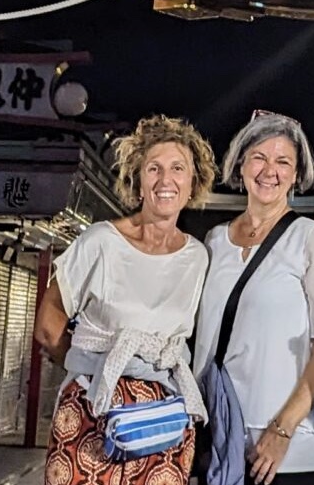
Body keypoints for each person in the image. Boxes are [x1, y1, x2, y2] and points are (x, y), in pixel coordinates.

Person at [36, 116, 217, 485]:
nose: (165, 180)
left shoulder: (198, 257)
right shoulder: (101, 241)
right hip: (92, 407)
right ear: (137, 181)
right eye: (154, 168)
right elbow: (49, 320)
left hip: (163, 416)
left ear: (192, 182)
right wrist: (87, 372)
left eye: (177, 169)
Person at [195, 112, 314, 485]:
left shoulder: (309, 237)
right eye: (259, 157)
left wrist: (282, 431)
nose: (270, 170)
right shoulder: (214, 241)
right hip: (220, 435)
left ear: (296, 175)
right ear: (241, 164)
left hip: (288, 447)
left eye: (283, 161)